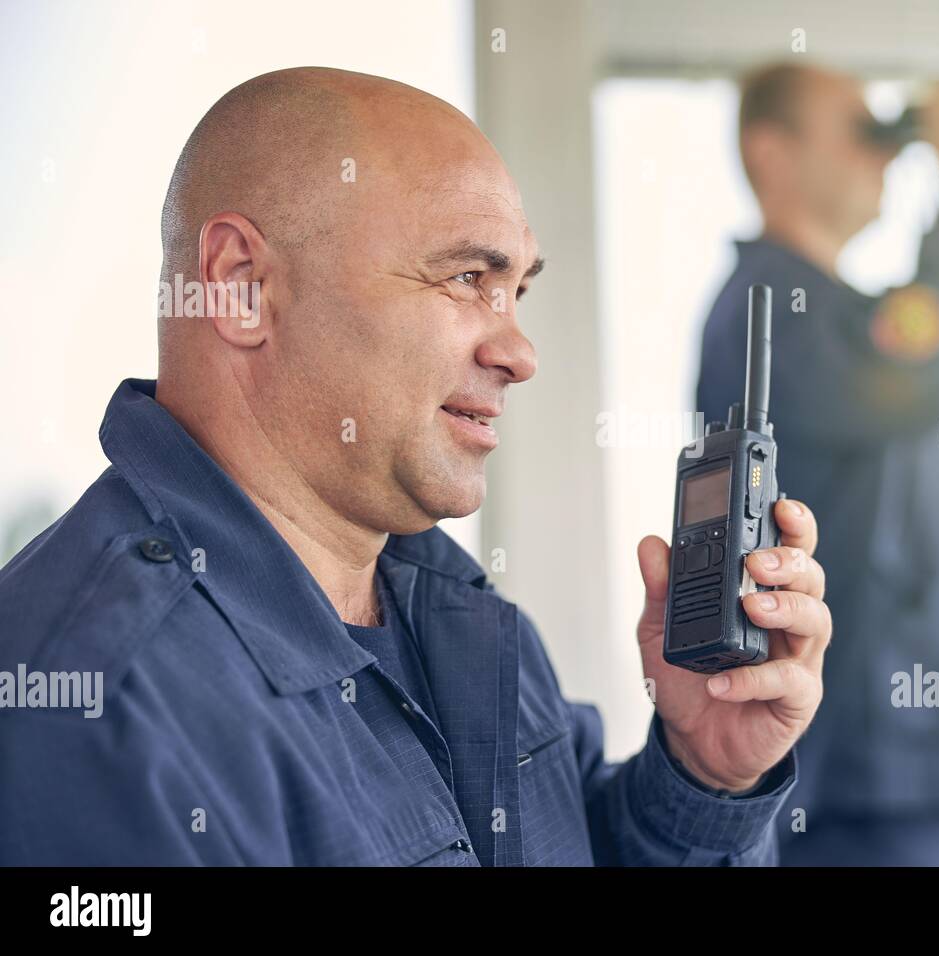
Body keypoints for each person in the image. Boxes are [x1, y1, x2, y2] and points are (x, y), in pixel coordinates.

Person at [0, 67, 833, 866]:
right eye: (468, 277)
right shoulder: (89, 706)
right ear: (241, 287)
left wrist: (704, 776)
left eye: (517, 292)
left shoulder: (464, 615)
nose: (519, 352)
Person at [697, 63, 939, 866]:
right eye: (861, 132)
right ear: (772, 152)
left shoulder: (851, 325)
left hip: (928, 761)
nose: (886, 157)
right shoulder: (768, 314)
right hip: (865, 774)